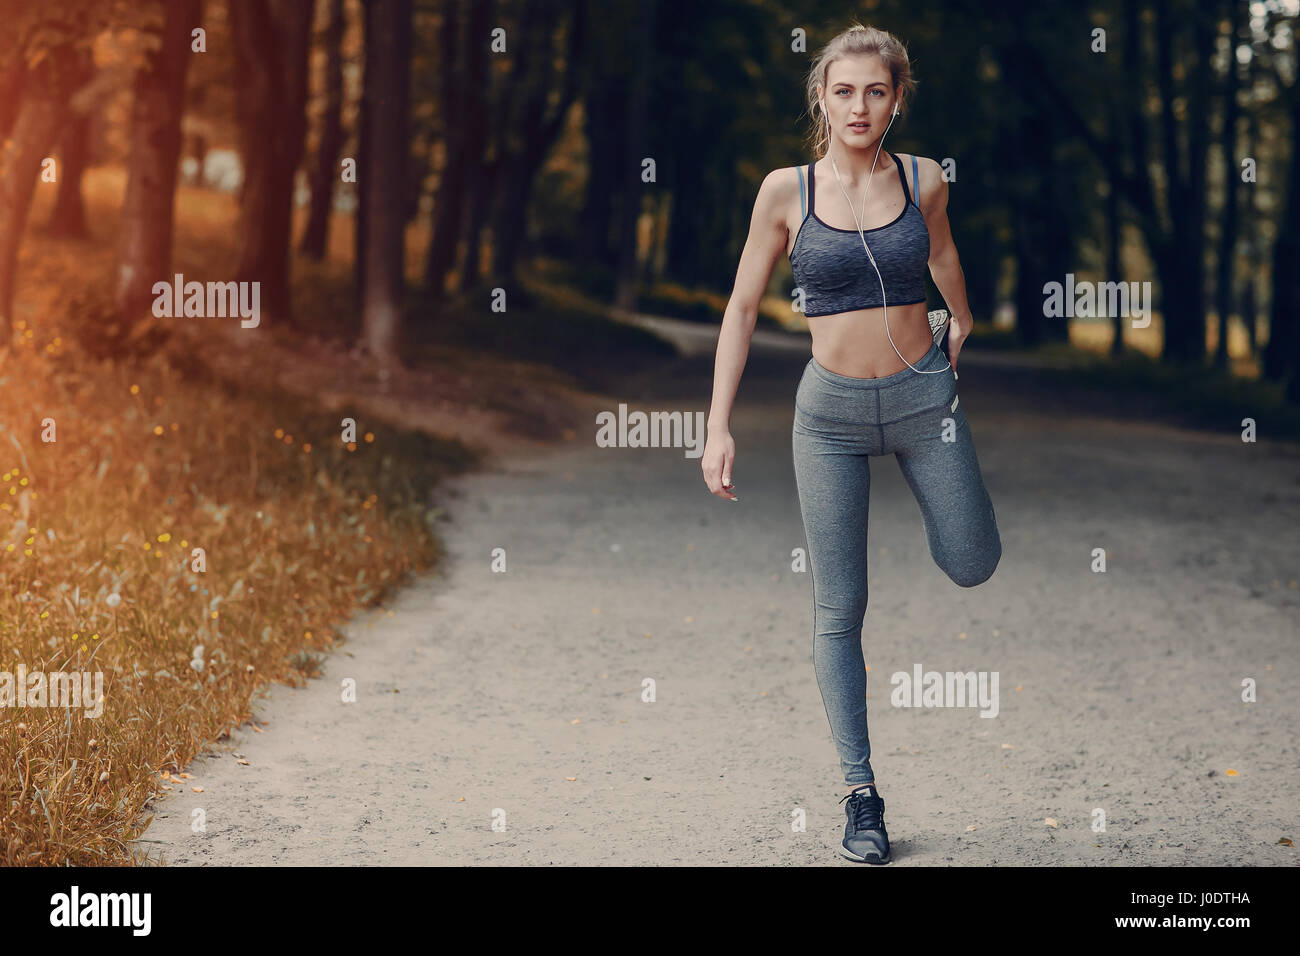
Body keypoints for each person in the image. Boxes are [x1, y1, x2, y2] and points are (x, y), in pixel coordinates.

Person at [700, 22, 1002, 864]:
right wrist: (716, 425)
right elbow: (739, 310)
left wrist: (960, 324)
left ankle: (945, 507)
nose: (859, 105)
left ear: (896, 98)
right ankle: (860, 796)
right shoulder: (784, 192)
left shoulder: (925, 180)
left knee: (974, 561)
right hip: (827, 415)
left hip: (920, 400)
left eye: (876, 90)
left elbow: (943, 259)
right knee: (840, 609)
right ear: (822, 100)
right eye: (843, 91)